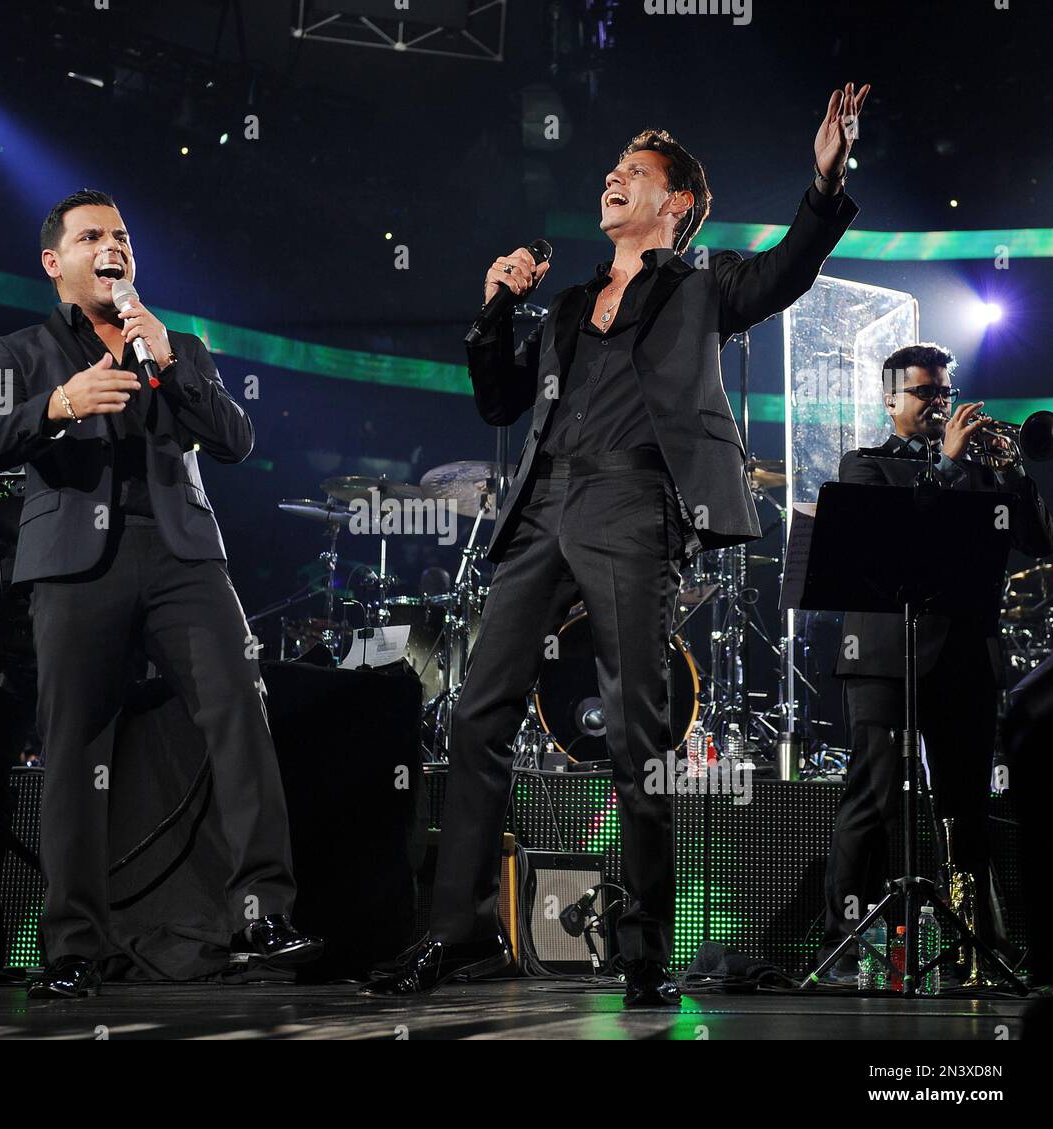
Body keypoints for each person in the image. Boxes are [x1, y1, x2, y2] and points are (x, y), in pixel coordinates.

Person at [364, 85, 868, 1004]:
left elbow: (791, 265)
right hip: (546, 502)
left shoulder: (703, 282)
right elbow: (499, 401)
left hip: (636, 501)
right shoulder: (567, 302)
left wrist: (827, 180)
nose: (614, 178)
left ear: (675, 205)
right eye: (614, 169)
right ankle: (453, 932)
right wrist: (492, 311)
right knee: (479, 710)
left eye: (634, 173)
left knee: (637, 728)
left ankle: (642, 949)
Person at [0, 188, 320, 999]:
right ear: (55, 262)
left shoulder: (177, 343)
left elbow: (236, 438)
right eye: (91, 236)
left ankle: (263, 913)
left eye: (120, 235)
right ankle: (74, 947)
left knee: (239, 712)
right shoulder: (15, 350)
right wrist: (59, 404)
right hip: (72, 561)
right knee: (74, 751)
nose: (111, 245)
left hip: (181, 555)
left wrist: (170, 359)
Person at [819, 343, 1053, 984]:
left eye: (945, 392)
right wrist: (947, 468)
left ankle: (974, 946)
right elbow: (890, 536)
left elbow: (1038, 541)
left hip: (964, 658)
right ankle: (845, 947)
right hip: (884, 657)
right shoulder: (865, 465)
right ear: (890, 398)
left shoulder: (981, 471)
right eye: (926, 393)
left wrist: (1012, 473)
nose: (940, 404)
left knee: (966, 803)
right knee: (870, 798)